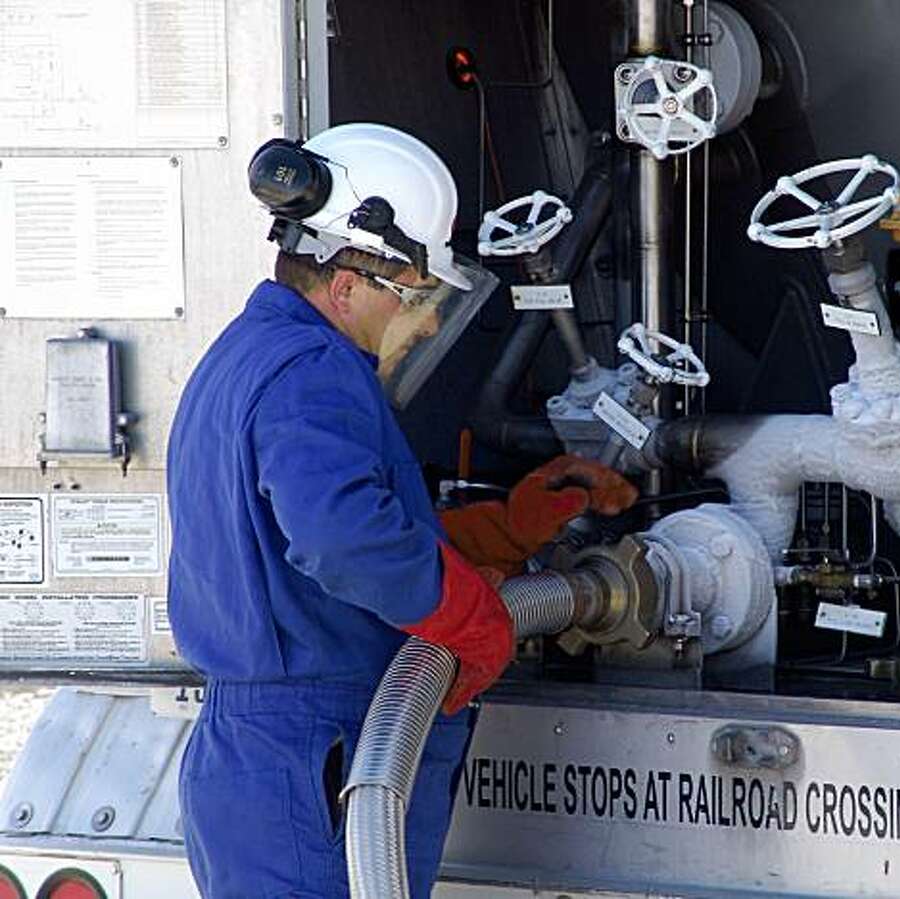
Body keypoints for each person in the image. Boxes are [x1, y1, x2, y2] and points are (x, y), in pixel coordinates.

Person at [166, 122, 636, 899]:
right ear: (346, 283)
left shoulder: (245, 356)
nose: (421, 323)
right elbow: (340, 538)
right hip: (314, 750)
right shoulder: (313, 368)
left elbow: (292, 544)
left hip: (268, 755)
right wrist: (470, 616)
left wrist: (504, 530)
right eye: (414, 296)